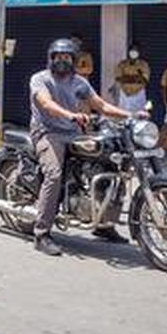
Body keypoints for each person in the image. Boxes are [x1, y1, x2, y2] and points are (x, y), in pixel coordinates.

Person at [29, 38, 137, 257]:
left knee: (113, 165)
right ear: (51, 58)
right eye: (58, 57)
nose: (62, 61)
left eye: (67, 57)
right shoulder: (40, 79)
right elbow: (46, 104)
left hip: (73, 133)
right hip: (48, 133)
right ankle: (41, 234)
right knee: (54, 174)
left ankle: (104, 224)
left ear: (73, 60)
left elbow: (102, 105)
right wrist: (71, 115)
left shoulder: (79, 82)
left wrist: (131, 115)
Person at [113, 44, 151, 113]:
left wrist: (127, 78)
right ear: (128, 52)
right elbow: (118, 79)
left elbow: (144, 80)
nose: (133, 53)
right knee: (123, 115)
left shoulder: (143, 65)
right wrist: (136, 78)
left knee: (139, 116)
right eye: (132, 50)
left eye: (135, 51)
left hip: (138, 94)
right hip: (124, 95)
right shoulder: (122, 64)